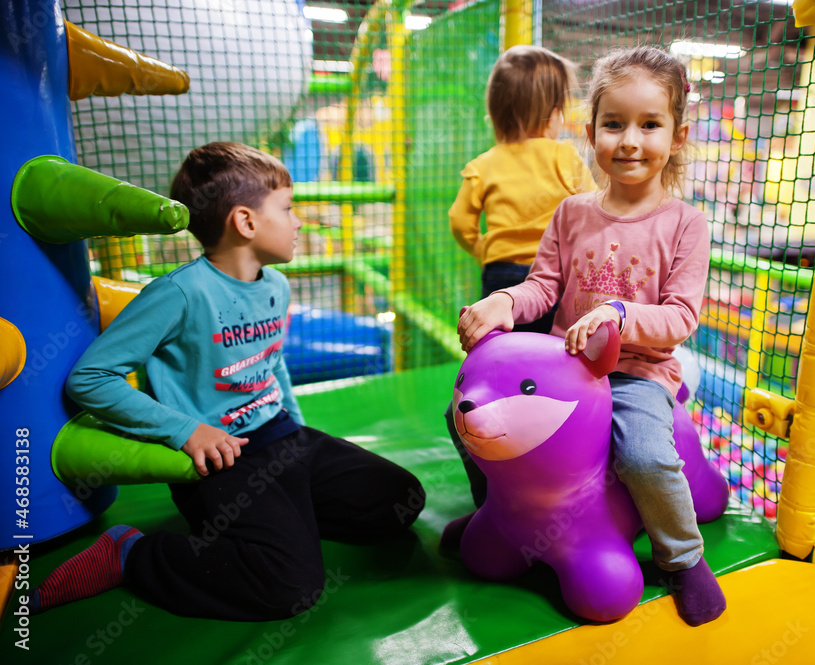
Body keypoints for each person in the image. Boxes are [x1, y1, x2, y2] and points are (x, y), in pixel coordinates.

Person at [28, 142, 425, 620]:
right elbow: (90, 378)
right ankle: (132, 554)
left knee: (400, 499)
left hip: (282, 437)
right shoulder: (179, 294)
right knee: (290, 586)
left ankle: (282, 521)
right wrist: (187, 431)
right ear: (246, 222)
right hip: (224, 456)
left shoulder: (275, 285)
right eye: (288, 208)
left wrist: (298, 432)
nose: (299, 221)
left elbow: (271, 361)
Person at [455, 46, 726, 626]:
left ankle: (681, 557)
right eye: (614, 124)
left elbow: (681, 316)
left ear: (676, 137)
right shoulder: (572, 212)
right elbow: (541, 287)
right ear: (591, 131)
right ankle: (500, 516)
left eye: (650, 125)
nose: (630, 140)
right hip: (568, 371)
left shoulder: (685, 223)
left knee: (648, 458)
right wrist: (503, 300)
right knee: (465, 418)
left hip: (635, 375)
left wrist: (621, 315)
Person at [446, 44, 596, 507]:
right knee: (554, 381)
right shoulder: (564, 157)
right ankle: (557, 484)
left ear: (495, 112)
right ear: (554, 113)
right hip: (555, 281)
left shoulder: (483, 164)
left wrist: (485, 251)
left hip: (502, 285)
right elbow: (591, 211)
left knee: (495, 381)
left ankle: (492, 495)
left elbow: (460, 222)